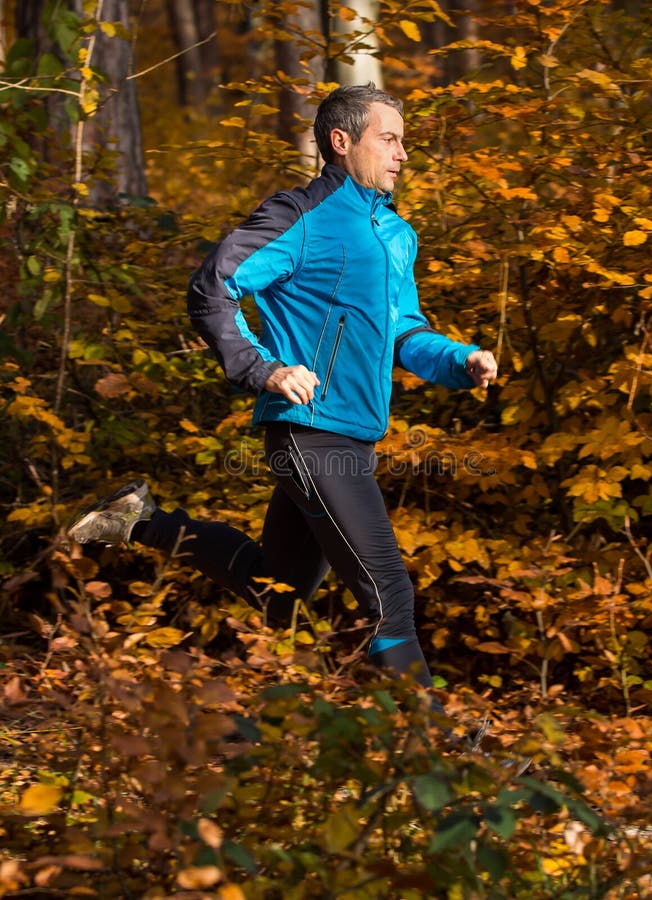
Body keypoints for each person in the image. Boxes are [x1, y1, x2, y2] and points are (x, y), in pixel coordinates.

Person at [68, 83, 498, 714]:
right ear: (341, 141)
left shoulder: (396, 234)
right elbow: (212, 287)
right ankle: (441, 748)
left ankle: (140, 521)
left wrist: (459, 360)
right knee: (389, 594)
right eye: (389, 139)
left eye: (403, 141)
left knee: (280, 589)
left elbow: (404, 331)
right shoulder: (300, 215)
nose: (403, 154)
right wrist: (261, 367)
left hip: (352, 432)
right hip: (309, 429)